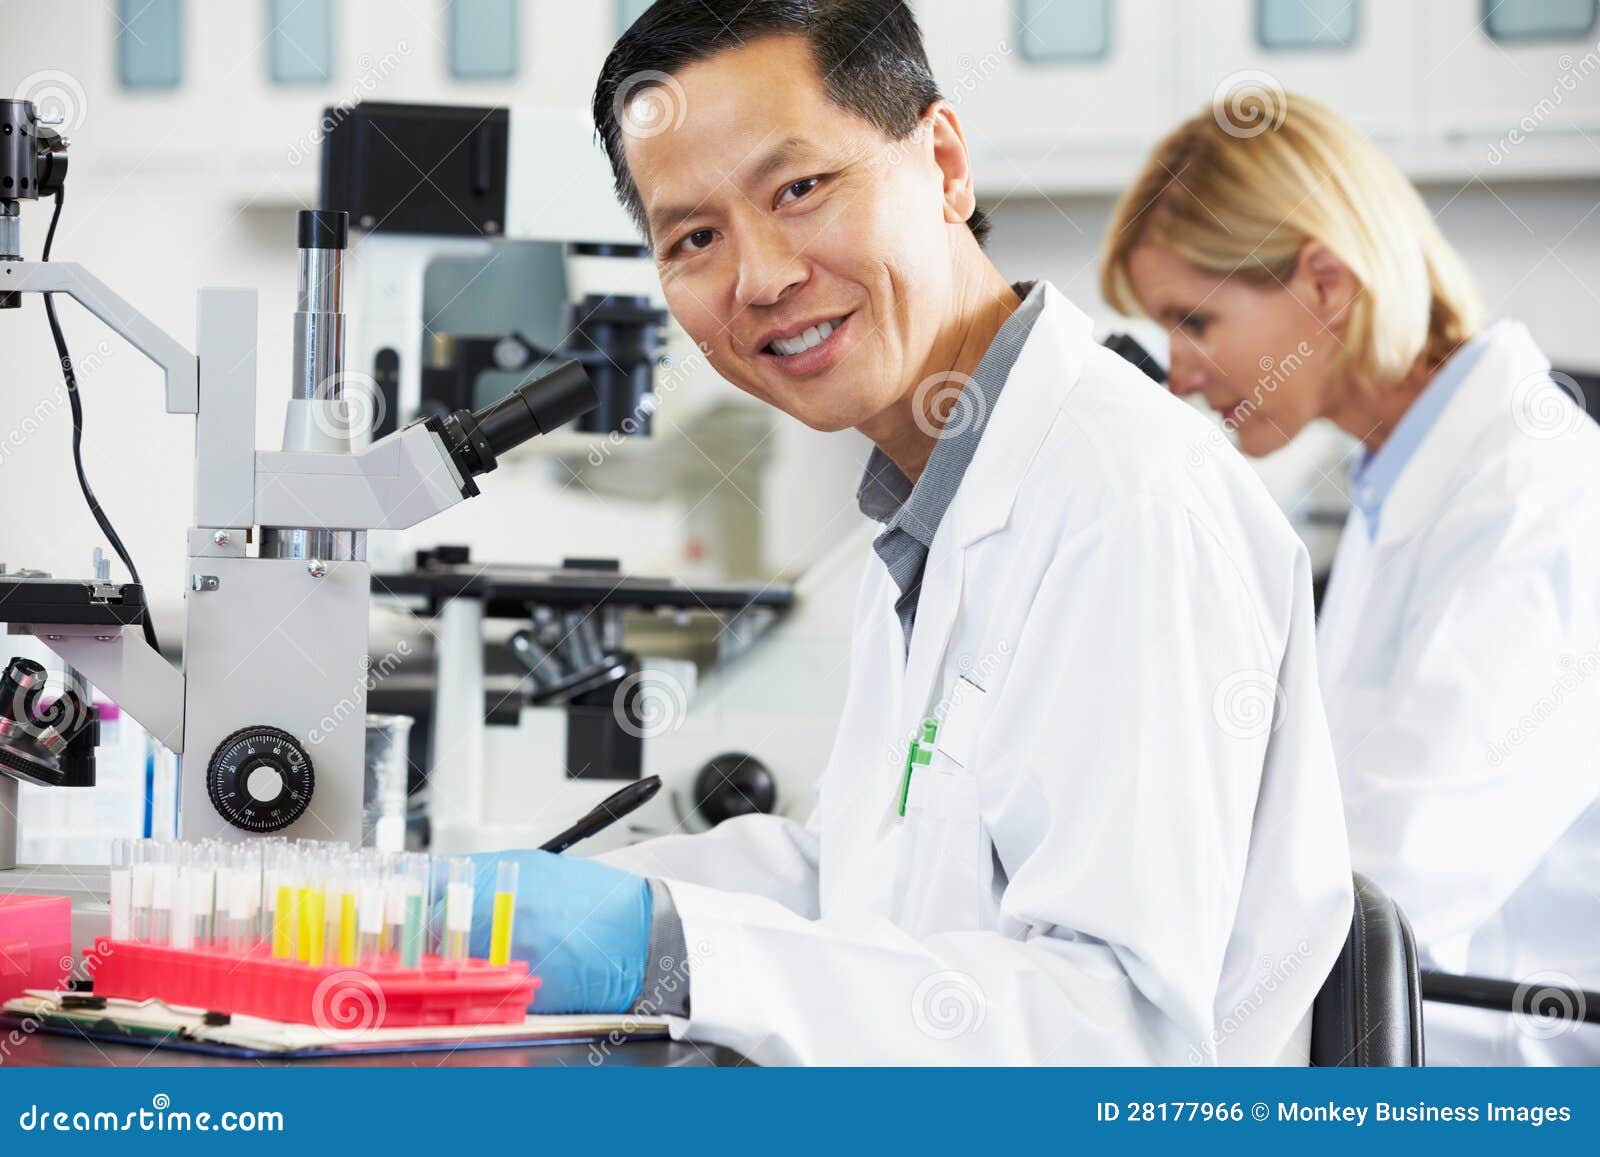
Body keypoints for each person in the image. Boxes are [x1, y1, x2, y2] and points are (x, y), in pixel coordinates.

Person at [465, 0, 1351, 1065]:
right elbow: (869, 879)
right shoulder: (934, 499)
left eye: (800, 188)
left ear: (943, 163)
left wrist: (674, 952)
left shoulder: (1127, 500)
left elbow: (1121, 1032)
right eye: (694, 238)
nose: (761, 277)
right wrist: (540, 903)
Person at [1100, 92, 1600, 1064]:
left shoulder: (1535, 506)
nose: (1180, 375)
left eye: (1195, 320)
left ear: (1324, 285)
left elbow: (1379, 884)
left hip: (1492, 1064)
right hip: (1383, 1028)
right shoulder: (1395, 480)